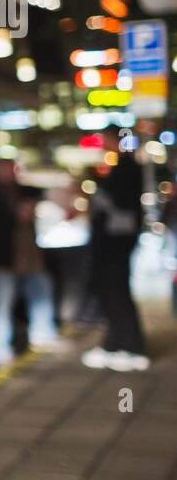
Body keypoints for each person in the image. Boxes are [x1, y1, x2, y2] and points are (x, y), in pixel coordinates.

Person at [0, 159, 60, 366]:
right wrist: (17, 216)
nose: (13, 173)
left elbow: (41, 192)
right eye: (8, 169)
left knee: (40, 293)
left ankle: (43, 335)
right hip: (0, 261)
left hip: (28, 257)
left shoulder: (19, 190)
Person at [81, 128, 150, 372]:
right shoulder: (126, 166)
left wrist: (100, 196)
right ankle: (116, 344)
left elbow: (120, 204)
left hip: (115, 243)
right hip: (116, 241)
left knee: (115, 291)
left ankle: (130, 347)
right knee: (113, 292)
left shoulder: (127, 167)